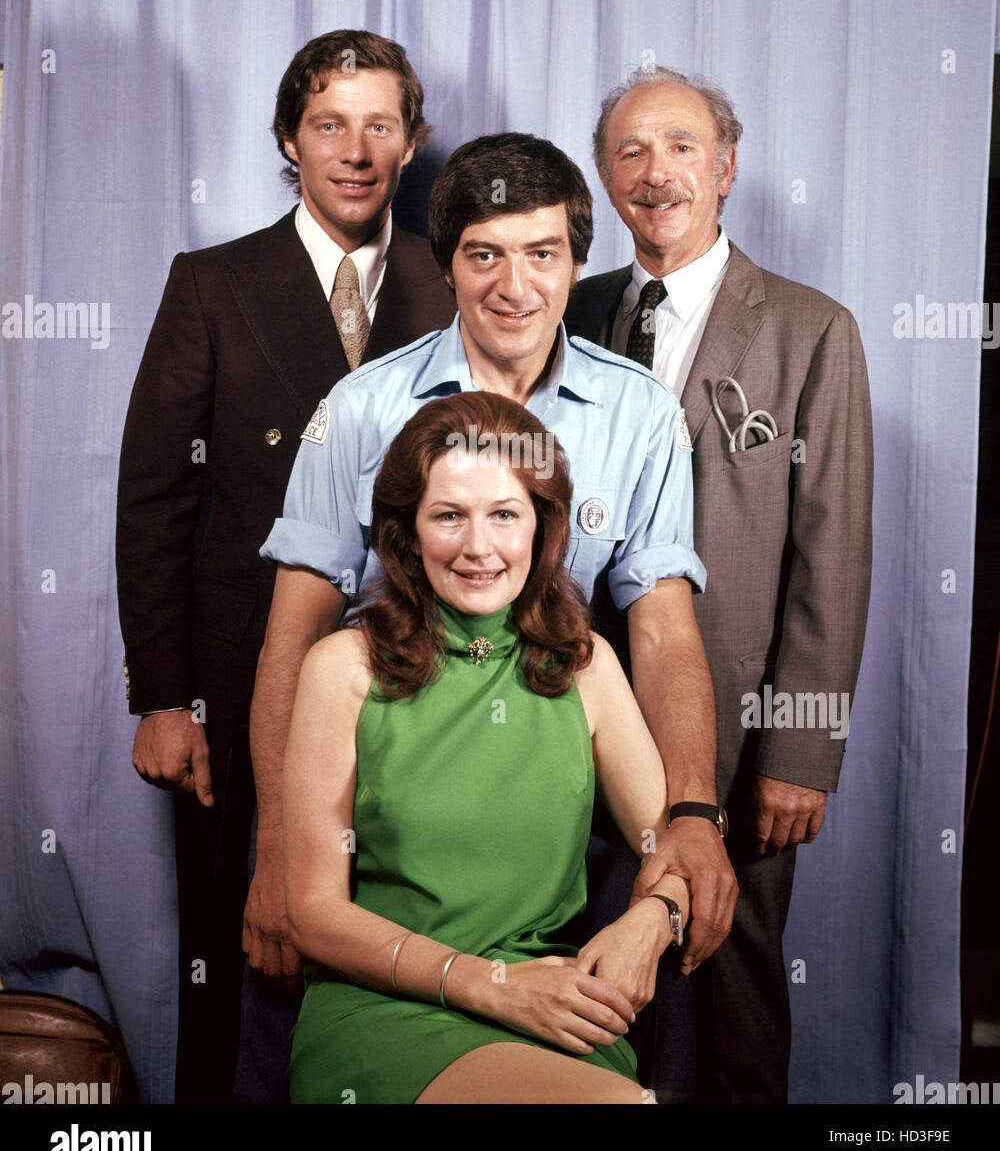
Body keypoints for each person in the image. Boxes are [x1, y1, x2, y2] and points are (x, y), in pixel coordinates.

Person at [249, 133, 738, 1098]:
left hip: (545, 795)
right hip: (384, 807)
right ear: (445, 265)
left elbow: (667, 630)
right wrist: (283, 857)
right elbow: (293, 634)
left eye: (542, 254)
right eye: (484, 255)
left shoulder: (639, 416)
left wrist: (686, 825)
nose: (515, 285)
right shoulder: (357, 408)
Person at [115, 29, 456, 1103]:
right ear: (287, 141)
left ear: (411, 144)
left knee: (397, 946)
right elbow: (155, 501)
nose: (354, 150)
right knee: (242, 947)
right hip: (234, 684)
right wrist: (165, 697)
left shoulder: (459, 285)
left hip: (423, 680)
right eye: (327, 124)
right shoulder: (210, 284)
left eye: (378, 125)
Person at [565, 66, 874, 1102]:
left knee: (729, 980)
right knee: (593, 974)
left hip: (740, 735)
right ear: (606, 178)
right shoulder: (566, 307)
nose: (657, 174)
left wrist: (801, 748)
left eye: (682, 148)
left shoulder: (809, 327)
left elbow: (831, 554)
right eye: (631, 152)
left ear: (727, 167)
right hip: (576, 712)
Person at [283, 391, 690, 1103]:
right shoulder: (344, 668)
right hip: (386, 1009)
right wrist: (490, 988)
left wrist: (654, 920)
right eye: (449, 516)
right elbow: (313, 914)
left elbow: (677, 850)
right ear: (408, 532)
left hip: (553, 1007)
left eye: (505, 514)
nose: (479, 547)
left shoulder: (587, 666)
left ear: (543, 526)